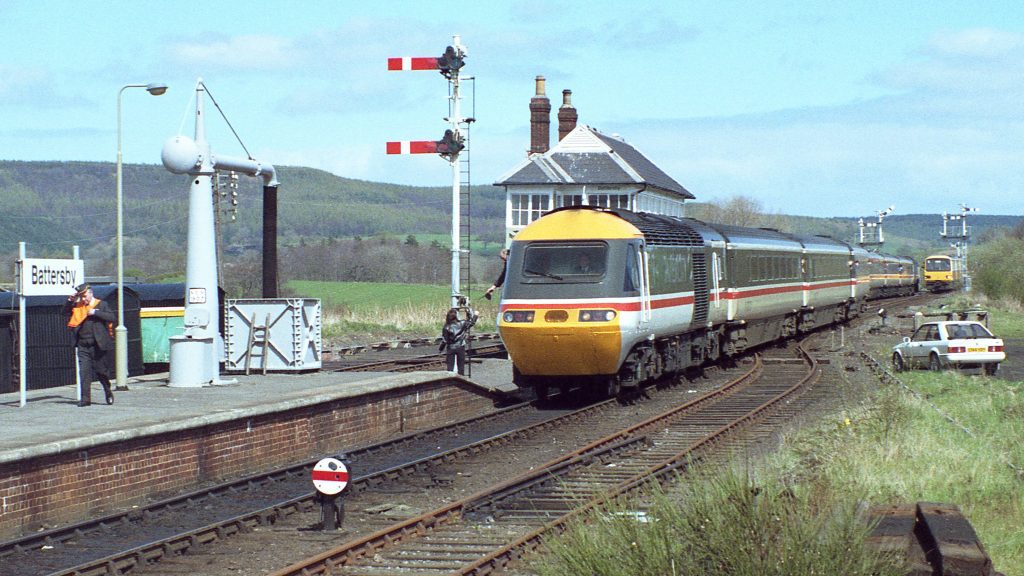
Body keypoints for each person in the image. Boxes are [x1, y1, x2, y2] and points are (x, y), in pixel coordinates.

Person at [64, 284, 115, 406]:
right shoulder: (78, 306)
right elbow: (64, 313)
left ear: (91, 294)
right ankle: (85, 399)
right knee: (84, 372)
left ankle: (107, 391)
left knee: (101, 371)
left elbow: (112, 317)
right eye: (81, 297)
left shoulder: (101, 304)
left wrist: (96, 313)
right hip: (83, 344)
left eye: (85, 296)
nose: (83, 299)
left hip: (98, 345)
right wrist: (69, 301)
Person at [440, 307, 478, 375]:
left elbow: (444, 340)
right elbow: (471, 322)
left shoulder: (446, 327)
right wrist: (475, 315)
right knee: (461, 366)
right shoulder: (462, 323)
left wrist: (440, 349)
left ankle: (450, 379)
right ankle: (461, 379)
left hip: (451, 348)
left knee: (450, 367)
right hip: (461, 346)